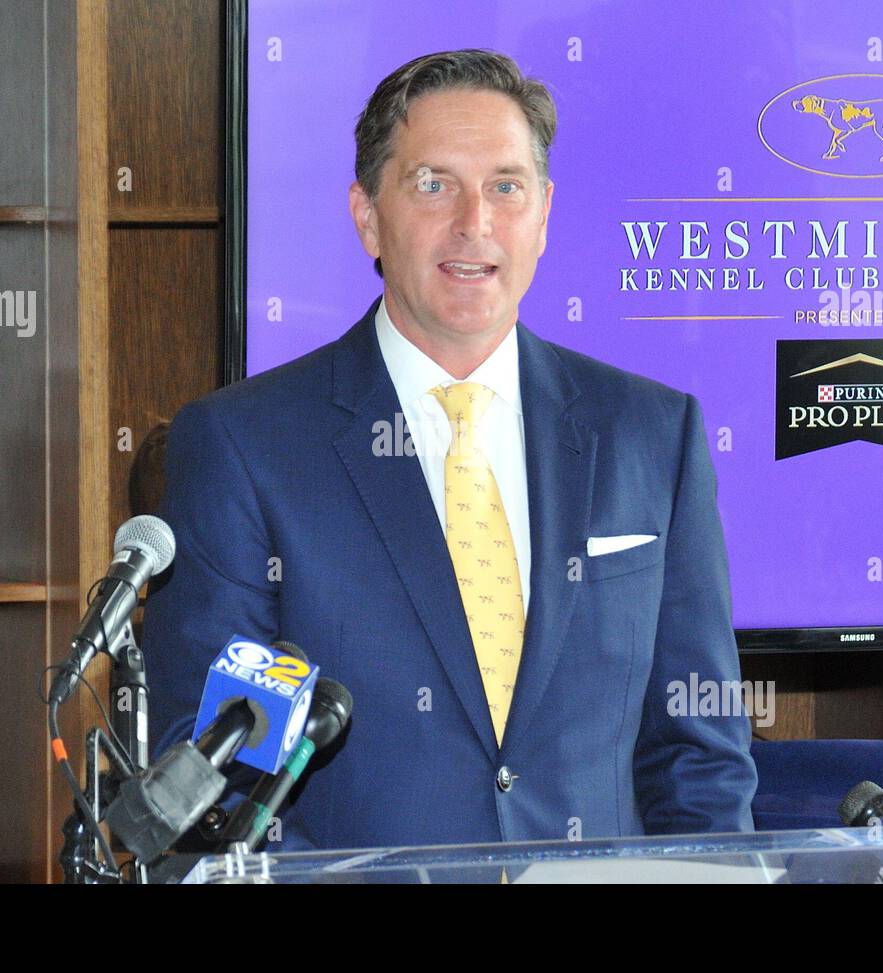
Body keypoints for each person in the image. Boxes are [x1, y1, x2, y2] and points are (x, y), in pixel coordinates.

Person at [142, 49, 757, 850]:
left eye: (506, 186)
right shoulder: (242, 445)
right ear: (368, 214)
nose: (476, 221)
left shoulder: (651, 434)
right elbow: (210, 777)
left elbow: (701, 762)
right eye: (433, 184)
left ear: (543, 213)